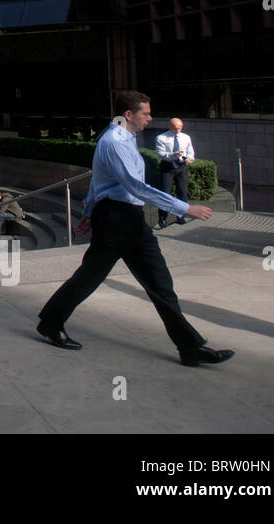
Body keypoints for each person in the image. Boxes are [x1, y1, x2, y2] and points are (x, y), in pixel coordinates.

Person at [36, 90, 233, 367]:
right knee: (90, 276)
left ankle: (189, 348)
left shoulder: (125, 137)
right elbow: (135, 186)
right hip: (116, 219)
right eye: (146, 113)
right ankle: (50, 323)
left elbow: (101, 181)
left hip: (128, 217)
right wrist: (184, 208)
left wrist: (90, 211)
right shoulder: (114, 141)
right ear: (129, 114)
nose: (150, 118)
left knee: (160, 283)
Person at [155, 118, 193, 228]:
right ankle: (162, 218)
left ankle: (181, 216)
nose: (177, 131)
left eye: (179, 128)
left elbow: (191, 152)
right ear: (170, 127)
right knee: (165, 193)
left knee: (182, 192)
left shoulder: (186, 137)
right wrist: (173, 154)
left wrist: (189, 159)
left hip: (181, 167)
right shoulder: (161, 138)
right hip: (168, 167)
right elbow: (160, 154)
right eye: (175, 128)